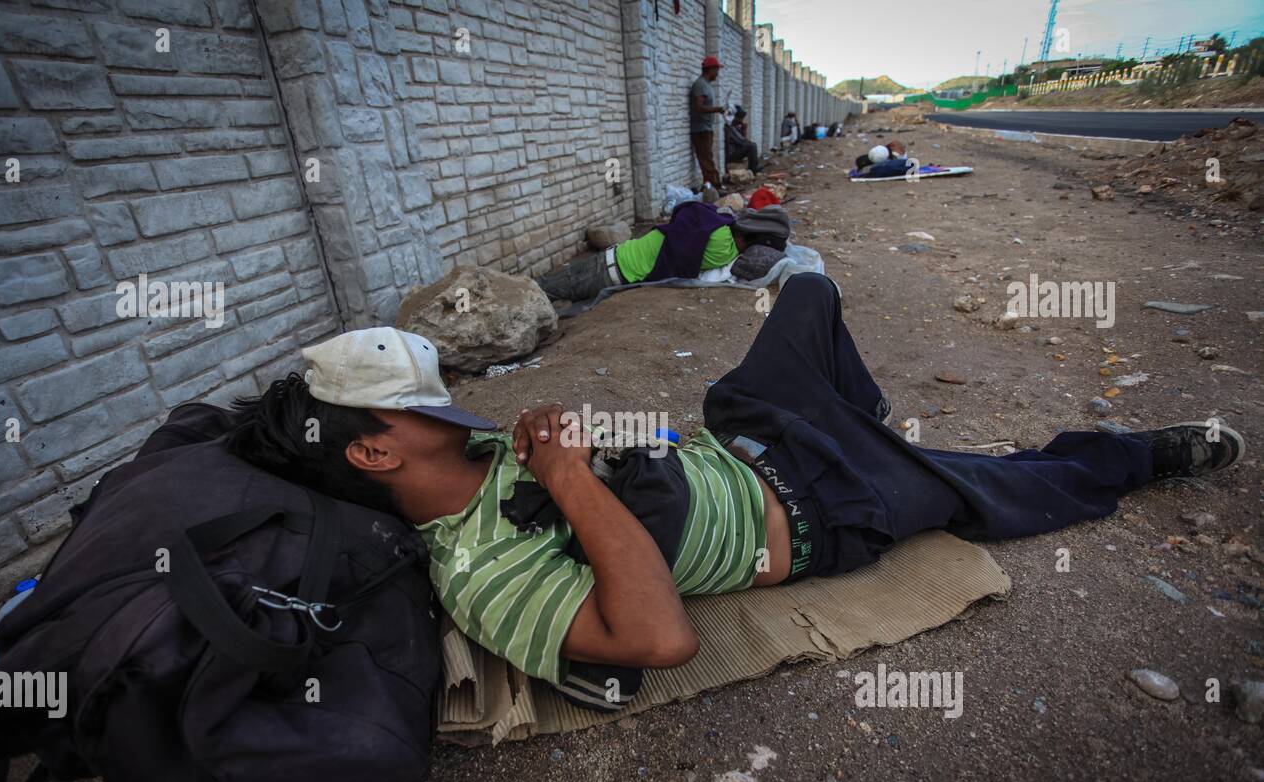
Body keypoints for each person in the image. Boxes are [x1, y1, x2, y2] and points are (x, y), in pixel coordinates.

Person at [226, 276, 1244, 713]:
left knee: (803, 293)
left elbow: (644, 447)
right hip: (816, 506)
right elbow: (659, 639)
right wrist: (572, 475)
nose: (446, 406)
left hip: (748, 433)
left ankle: (869, 422)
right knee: (1007, 484)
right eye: (415, 407)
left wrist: (611, 443)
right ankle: (1141, 455)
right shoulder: (480, 573)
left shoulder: (496, 447)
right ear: (369, 456)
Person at [534, 204, 790, 303]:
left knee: (545, 289)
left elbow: (685, 209)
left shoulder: (720, 225)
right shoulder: (724, 249)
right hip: (613, 270)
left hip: (615, 262)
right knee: (543, 292)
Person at [690, 56, 726, 189]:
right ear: (710, 69)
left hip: (706, 128)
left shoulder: (707, 85)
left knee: (707, 159)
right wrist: (717, 109)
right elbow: (698, 107)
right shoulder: (700, 85)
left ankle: (710, 187)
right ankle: (716, 186)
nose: (718, 73)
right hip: (700, 129)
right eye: (717, 69)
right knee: (707, 160)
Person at [725, 107, 762, 174]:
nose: (741, 120)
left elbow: (744, 140)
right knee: (752, 146)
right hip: (730, 155)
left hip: (735, 152)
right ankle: (753, 168)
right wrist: (744, 130)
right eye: (740, 118)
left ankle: (754, 166)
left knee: (751, 145)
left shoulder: (735, 126)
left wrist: (743, 130)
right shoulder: (730, 128)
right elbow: (743, 142)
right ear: (734, 117)